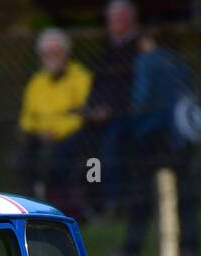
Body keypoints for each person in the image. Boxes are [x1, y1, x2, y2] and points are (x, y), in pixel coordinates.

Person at [115, 28, 201, 256]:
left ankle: (131, 249)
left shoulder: (146, 61)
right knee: (183, 194)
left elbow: (141, 99)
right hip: (179, 135)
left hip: (152, 136)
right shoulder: (177, 61)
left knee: (141, 193)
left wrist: (129, 121)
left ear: (146, 40)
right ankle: (189, 246)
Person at [17, 29, 92, 220]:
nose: (51, 58)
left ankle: (64, 209)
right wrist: (31, 132)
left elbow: (81, 114)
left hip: (71, 136)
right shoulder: (37, 81)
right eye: (46, 54)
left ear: (66, 53)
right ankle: (30, 207)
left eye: (55, 53)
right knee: (22, 159)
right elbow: (27, 116)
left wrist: (56, 132)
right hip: (40, 136)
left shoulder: (81, 77)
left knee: (57, 160)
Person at [83, 0, 141, 224]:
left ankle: (114, 203)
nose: (112, 24)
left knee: (110, 147)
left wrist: (110, 111)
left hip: (127, 117)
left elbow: (136, 91)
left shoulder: (138, 49)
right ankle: (88, 203)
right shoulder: (108, 51)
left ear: (129, 20)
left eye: (117, 19)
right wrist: (93, 109)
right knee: (81, 146)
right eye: (111, 19)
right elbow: (97, 87)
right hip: (100, 118)